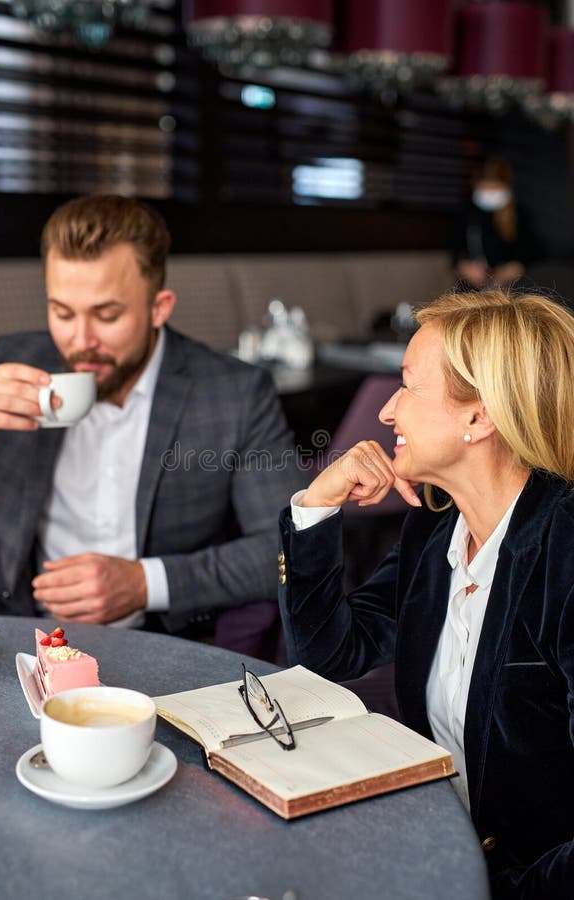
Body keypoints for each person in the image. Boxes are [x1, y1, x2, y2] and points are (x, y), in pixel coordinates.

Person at [277, 289, 574, 898]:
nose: (386, 411)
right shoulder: (438, 523)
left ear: (478, 417)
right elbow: (331, 654)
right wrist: (317, 507)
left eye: (408, 386)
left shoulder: (565, 549)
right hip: (427, 843)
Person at [0, 194, 301, 652]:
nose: (80, 341)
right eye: (62, 312)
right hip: (23, 639)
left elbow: (288, 549)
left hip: (164, 647)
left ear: (159, 307)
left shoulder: (235, 394)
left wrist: (145, 583)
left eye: (107, 315)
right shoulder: (10, 364)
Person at [453, 158, 535, 291]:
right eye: (485, 185)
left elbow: (531, 251)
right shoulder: (467, 213)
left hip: (510, 290)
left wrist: (515, 268)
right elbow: (456, 252)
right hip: (473, 291)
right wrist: (464, 267)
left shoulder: (519, 214)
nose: (490, 191)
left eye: (495, 186)